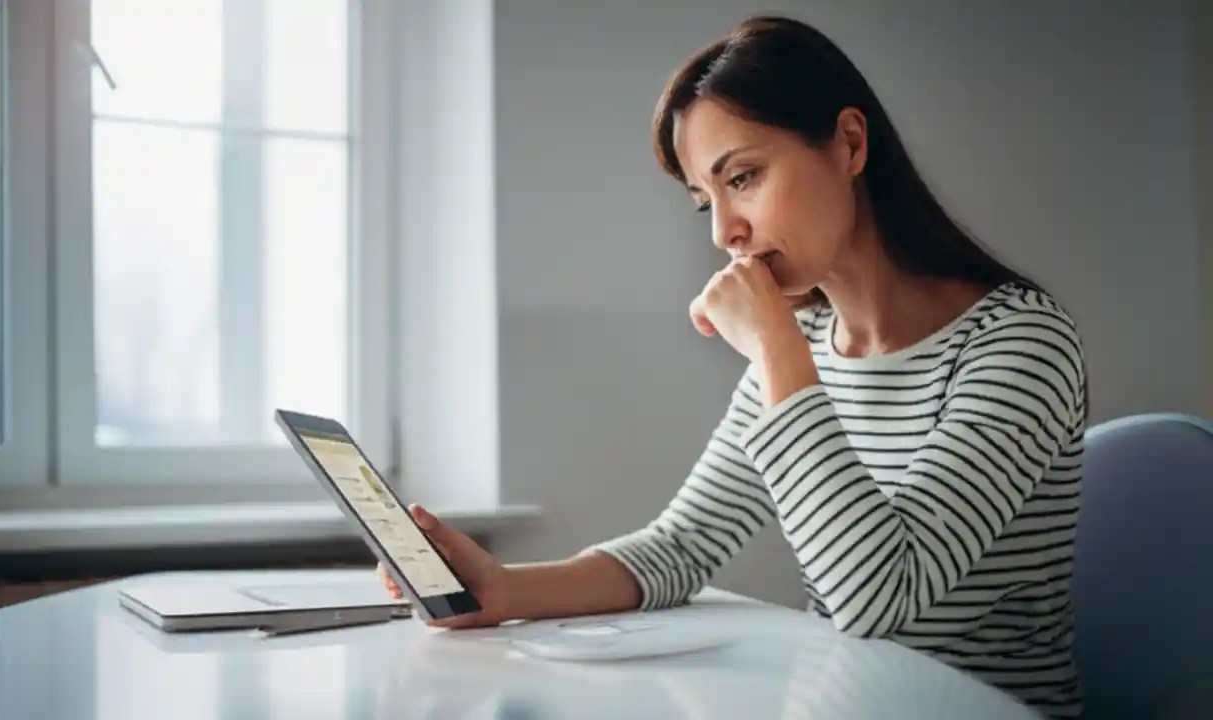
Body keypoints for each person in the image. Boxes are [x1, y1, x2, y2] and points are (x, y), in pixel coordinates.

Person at [378, 15, 1086, 718]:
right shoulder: (799, 344)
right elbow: (683, 545)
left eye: (743, 178)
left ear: (848, 143)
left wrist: (778, 352)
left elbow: (877, 599)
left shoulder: (1020, 343)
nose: (724, 233)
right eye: (704, 202)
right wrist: (504, 589)